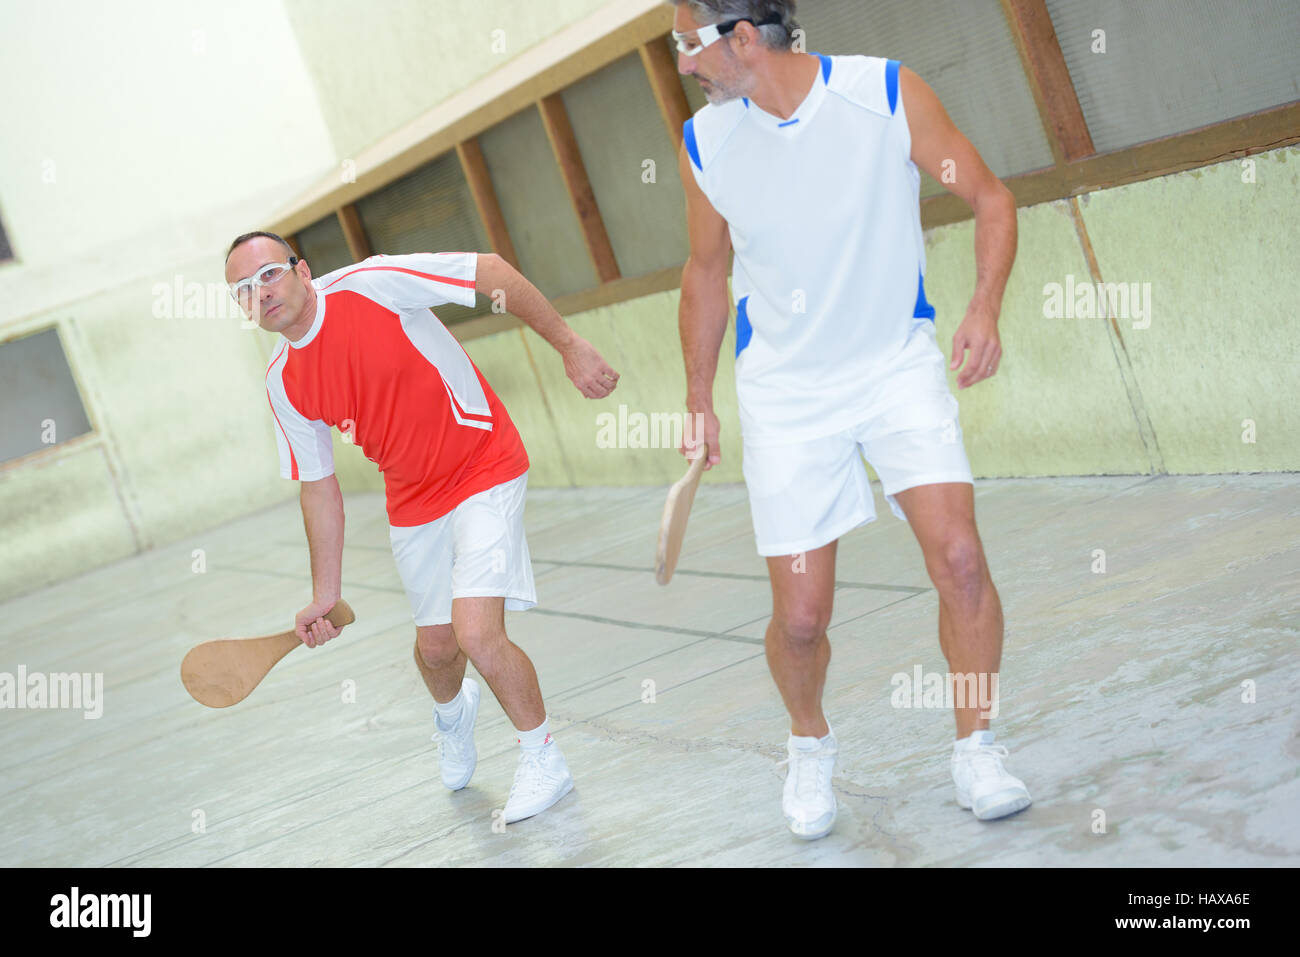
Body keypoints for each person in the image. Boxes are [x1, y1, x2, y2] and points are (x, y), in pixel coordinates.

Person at [670, 0, 1031, 838]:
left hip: (893, 364)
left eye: (690, 46)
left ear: (744, 38)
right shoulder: (705, 144)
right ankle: (809, 745)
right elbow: (705, 272)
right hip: (787, 394)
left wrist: (984, 306)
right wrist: (698, 397)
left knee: (963, 560)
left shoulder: (886, 93)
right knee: (801, 618)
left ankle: (976, 747)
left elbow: (990, 198)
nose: (684, 64)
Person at [224, 233, 619, 823]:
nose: (262, 292)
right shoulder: (283, 381)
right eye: (244, 289)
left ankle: (543, 759)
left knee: (476, 633)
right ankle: (454, 717)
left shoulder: (374, 284)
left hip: (484, 464)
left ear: (302, 271)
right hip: (412, 500)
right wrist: (325, 594)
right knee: (437, 652)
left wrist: (568, 344)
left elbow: (488, 270)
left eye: (270, 274)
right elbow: (318, 485)